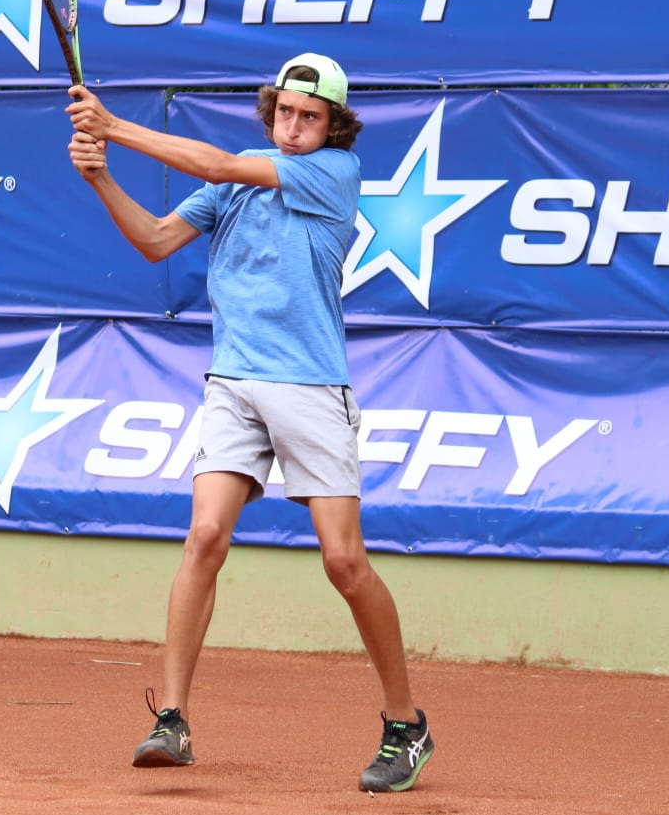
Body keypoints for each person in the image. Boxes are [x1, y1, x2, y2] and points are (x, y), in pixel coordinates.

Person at [65, 53, 434, 793]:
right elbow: (156, 239)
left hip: (310, 386)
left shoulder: (334, 174)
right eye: (285, 113)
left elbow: (223, 164)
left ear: (334, 127)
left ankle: (406, 723)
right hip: (232, 383)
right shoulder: (232, 185)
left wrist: (115, 127)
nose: (294, 127)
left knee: (344, 561)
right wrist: (102, 177)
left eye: (310, 117)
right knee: (205, 535)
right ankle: (172, 718)